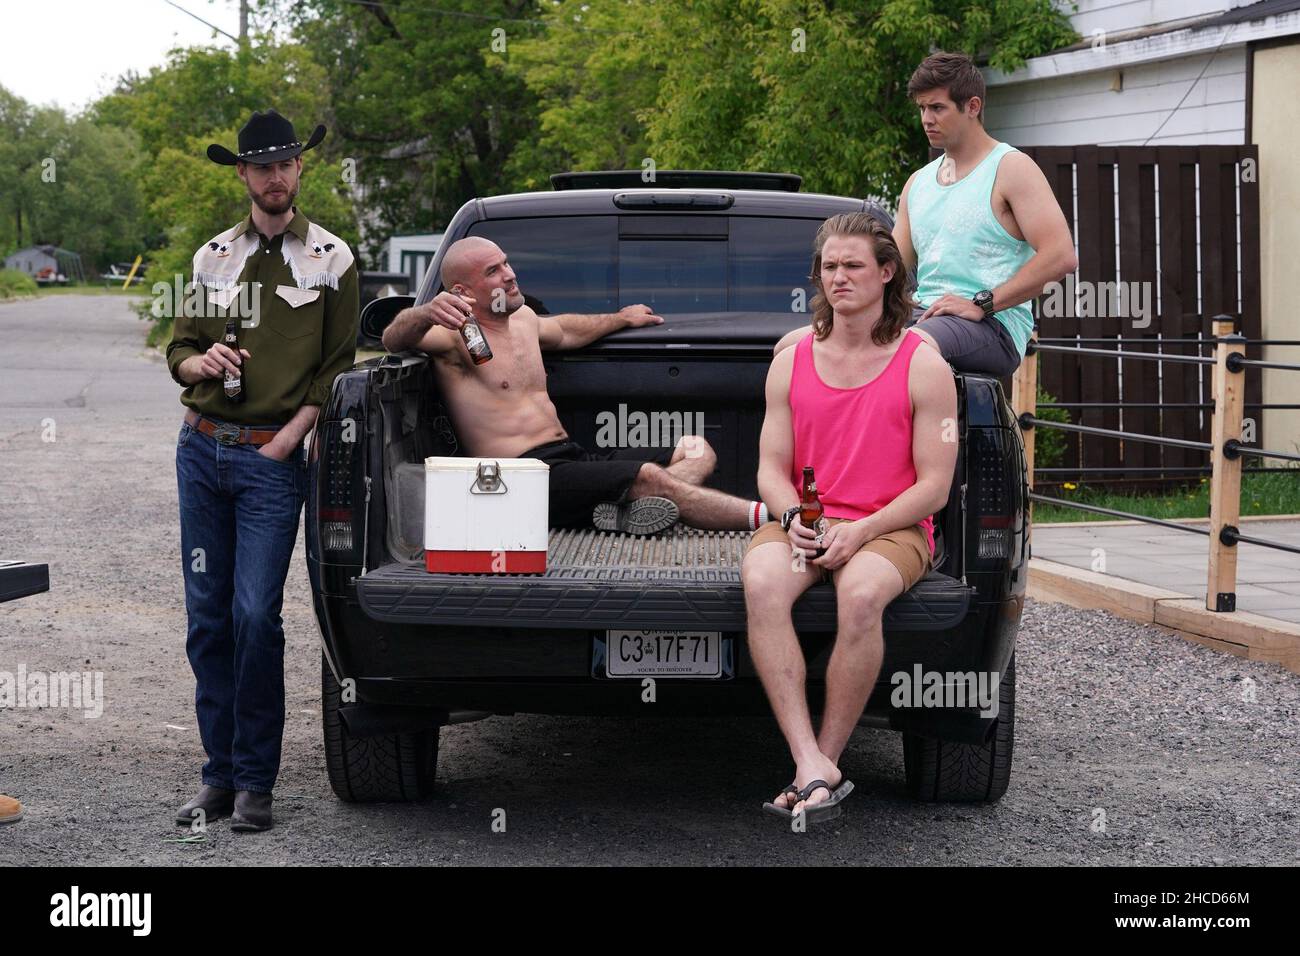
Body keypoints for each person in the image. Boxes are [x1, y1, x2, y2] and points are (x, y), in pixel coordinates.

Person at [165, 109, 359, 832]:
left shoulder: (332, 259)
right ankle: (217, 779)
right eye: (262, 166)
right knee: (207, 621)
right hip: (201, 449)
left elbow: (338, 368)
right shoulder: (212, 256)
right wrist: (200, 361)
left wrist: (291, 438)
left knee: (256, 617)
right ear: (243, 175)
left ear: (299, 171)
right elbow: (179, 347)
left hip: (271, 460)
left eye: (287, 164)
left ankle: (256, 782)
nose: (276, 177)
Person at [743, 213, 956, 825]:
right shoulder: (792, 360)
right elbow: (769, 468)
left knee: (860, 595)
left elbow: (935, 486)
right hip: (807, 522)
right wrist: (789, 515)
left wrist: (861, 530)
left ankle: (826, 759)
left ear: (887, 273)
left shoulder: (923, 364)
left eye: (853, 265)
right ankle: (809, 761)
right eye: (829, 267)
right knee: (761, 584)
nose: (839, 277)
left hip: (891, 527)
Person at [382, 237, 771, 535]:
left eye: (506, 263)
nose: (509, 274)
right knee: (650, 477)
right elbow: (393, 339)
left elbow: (569, 329)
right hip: (521, 479)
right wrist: (424, 312)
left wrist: (621, 318)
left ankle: (626, 509)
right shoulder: (452, 337)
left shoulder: (524, 321)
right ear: (462, 292)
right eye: (492, 272)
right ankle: (767, 519)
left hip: (570, 459)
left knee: (696, 448)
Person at [775, 52, 1077, 377]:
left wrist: (982, 303)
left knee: (908, 347)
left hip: (992, 325)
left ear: (972, 107)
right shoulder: (917, 184)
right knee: (790, 347)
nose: (926, 118)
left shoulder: (1011, 169)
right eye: (922, 108)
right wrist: (841, 307)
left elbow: (1061, 257)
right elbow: (889, 268)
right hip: (921, 315)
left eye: (937, 108)